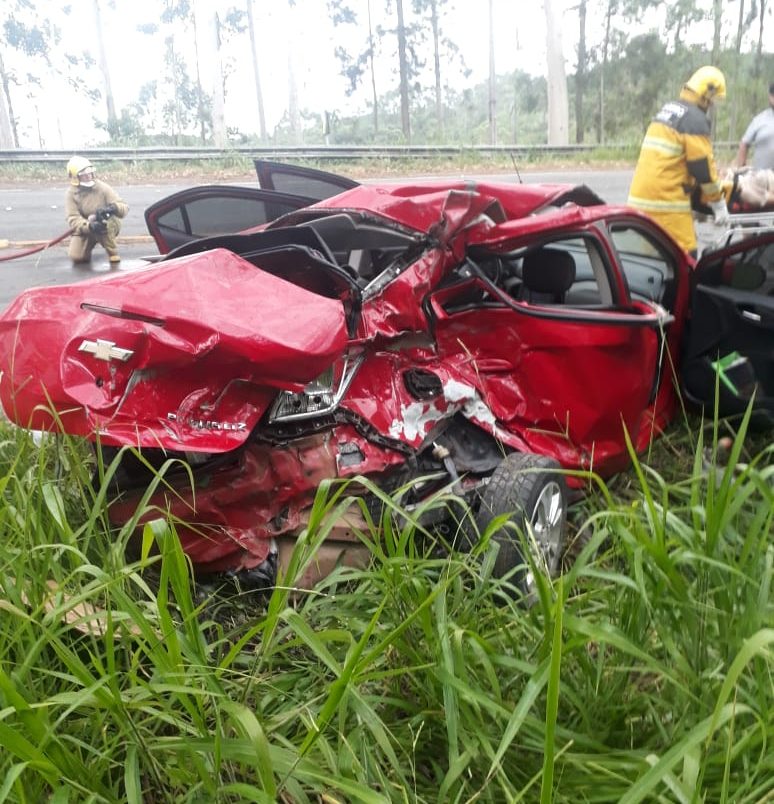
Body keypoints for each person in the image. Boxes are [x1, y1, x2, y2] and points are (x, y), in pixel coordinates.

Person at [627, 65, 729, 257]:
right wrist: (718, 204)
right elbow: (702, 169)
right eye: (712, 101)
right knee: (686, 258)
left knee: (649, 259)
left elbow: (674, 163)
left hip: (640, 203)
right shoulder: (694, 121)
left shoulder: (669, 111)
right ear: (706, 95)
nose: (712, 106)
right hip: (667, 205)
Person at [64, 156, 129, 265]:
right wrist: (89, 226)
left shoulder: (102, 188)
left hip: (105, 224)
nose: (89, 176)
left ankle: (112, 251)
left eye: (90, 172)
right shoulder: (71, 194)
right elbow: (73, 218)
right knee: (77, 257)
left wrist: (113, 208)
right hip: (86, 229)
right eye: (84, 174)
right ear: (75, 177)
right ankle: (92, 241)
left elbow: (124, 208)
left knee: (106, 227)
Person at [736, 83, 774, 169]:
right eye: (773, 95)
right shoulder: (759, 120)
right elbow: (744, 144)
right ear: (770, 97)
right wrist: (741, 170)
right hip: (762, 178)